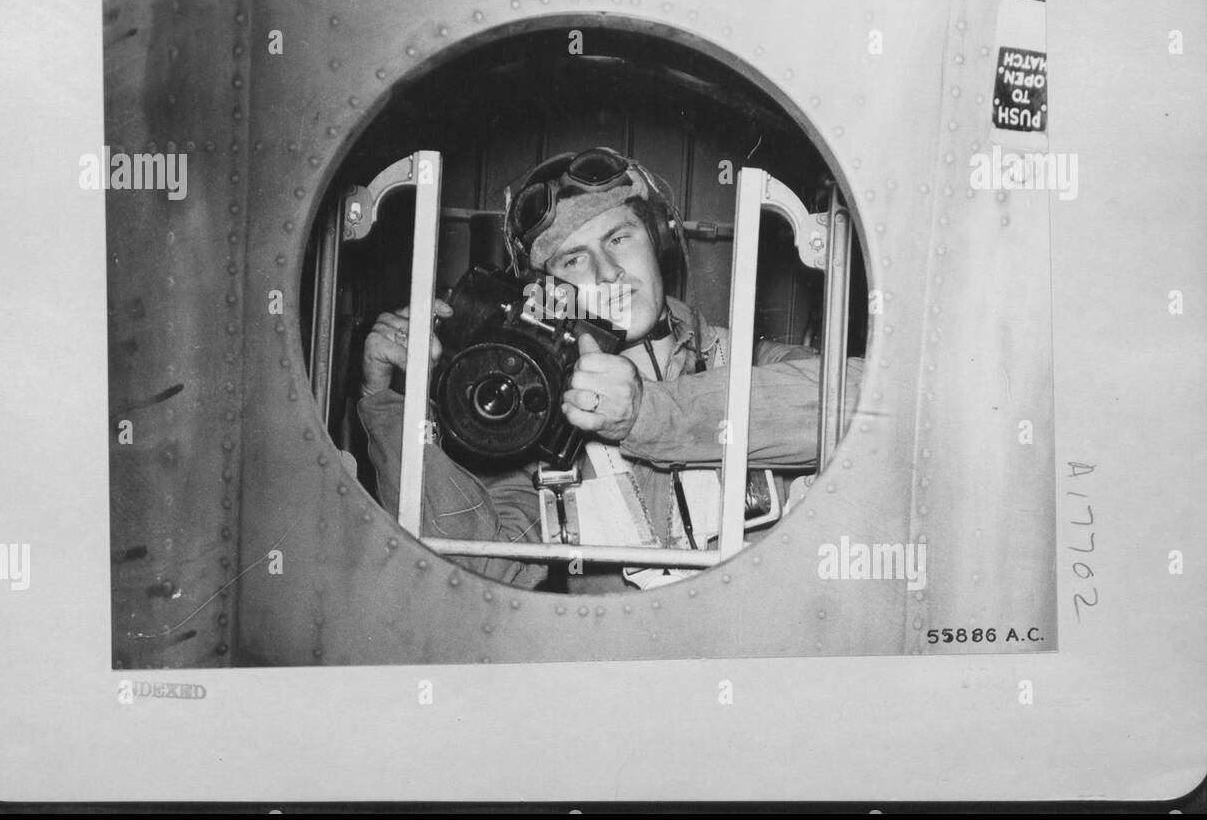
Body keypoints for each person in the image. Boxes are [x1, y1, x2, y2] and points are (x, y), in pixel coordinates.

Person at [357, 147, 860, 594]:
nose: (608, 273)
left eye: (619, 237)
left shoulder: (749, 362)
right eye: (574, 260)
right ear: (544, 293)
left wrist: (648, 414)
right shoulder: (538, 431)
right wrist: (390, 403)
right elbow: (473, 574)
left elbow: (865, 401)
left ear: (659, 237)